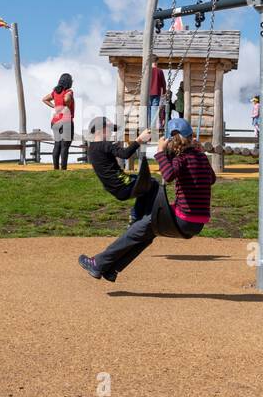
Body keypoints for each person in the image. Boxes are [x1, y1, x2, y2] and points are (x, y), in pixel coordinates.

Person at [79, 117, 215, 282]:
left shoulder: (182, 159)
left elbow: (169, 175)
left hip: (183, 220)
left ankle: (98, 263)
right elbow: (212, 178)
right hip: (198, 223)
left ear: (173, 140)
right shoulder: (201, 158)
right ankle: (112, 268)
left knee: (136, 231)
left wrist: (159, 152)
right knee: (147, 232)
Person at [41, 73, 75, 170]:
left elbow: (44, 99)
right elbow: (67, 98)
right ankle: (63, 168)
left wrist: (55, 106)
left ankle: (56, 168)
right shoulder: (68, 91)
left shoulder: (55, 92)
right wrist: (67, 104)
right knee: (65, 146)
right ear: (68, 81)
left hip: (55, 121)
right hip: (66, 121)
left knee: (57, 145)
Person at [146, 64, 167, 130]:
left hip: (147, 93)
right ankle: (153, 127)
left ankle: (148, 126)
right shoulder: (160, 71)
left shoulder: (147, 70)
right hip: (156, 92)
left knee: (148, 109)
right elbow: (163, 82)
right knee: (154, 109)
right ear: (156, 62)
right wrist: (164, 91)